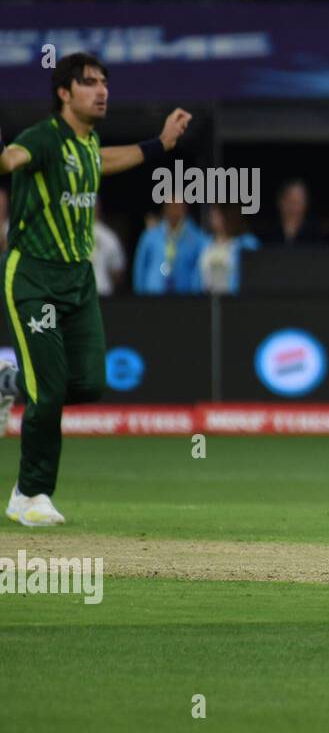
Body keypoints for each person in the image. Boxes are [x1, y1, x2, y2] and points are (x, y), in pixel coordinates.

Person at [0, 52, 190, 525]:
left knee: (89, 383)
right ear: (64, 93)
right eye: (89, 83)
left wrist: (160, 144)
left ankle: (7, 382)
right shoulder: (42, 138)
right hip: (34, 278)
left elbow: (103, 159)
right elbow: (11, 159)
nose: (102, 90)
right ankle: (30, 494)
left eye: (105, 82)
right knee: (46, 394)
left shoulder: (87, 145)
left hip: (78, 280)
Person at [133, 197, 207, 294]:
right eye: (171, 205)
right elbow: (140, 268)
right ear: (165, 208)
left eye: (178, 206)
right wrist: (140, 297)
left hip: (184, 298)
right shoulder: (150, 236)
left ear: (185, 208)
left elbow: (198, 272)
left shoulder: (197, 239)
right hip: (153, 296)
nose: (174, 210)